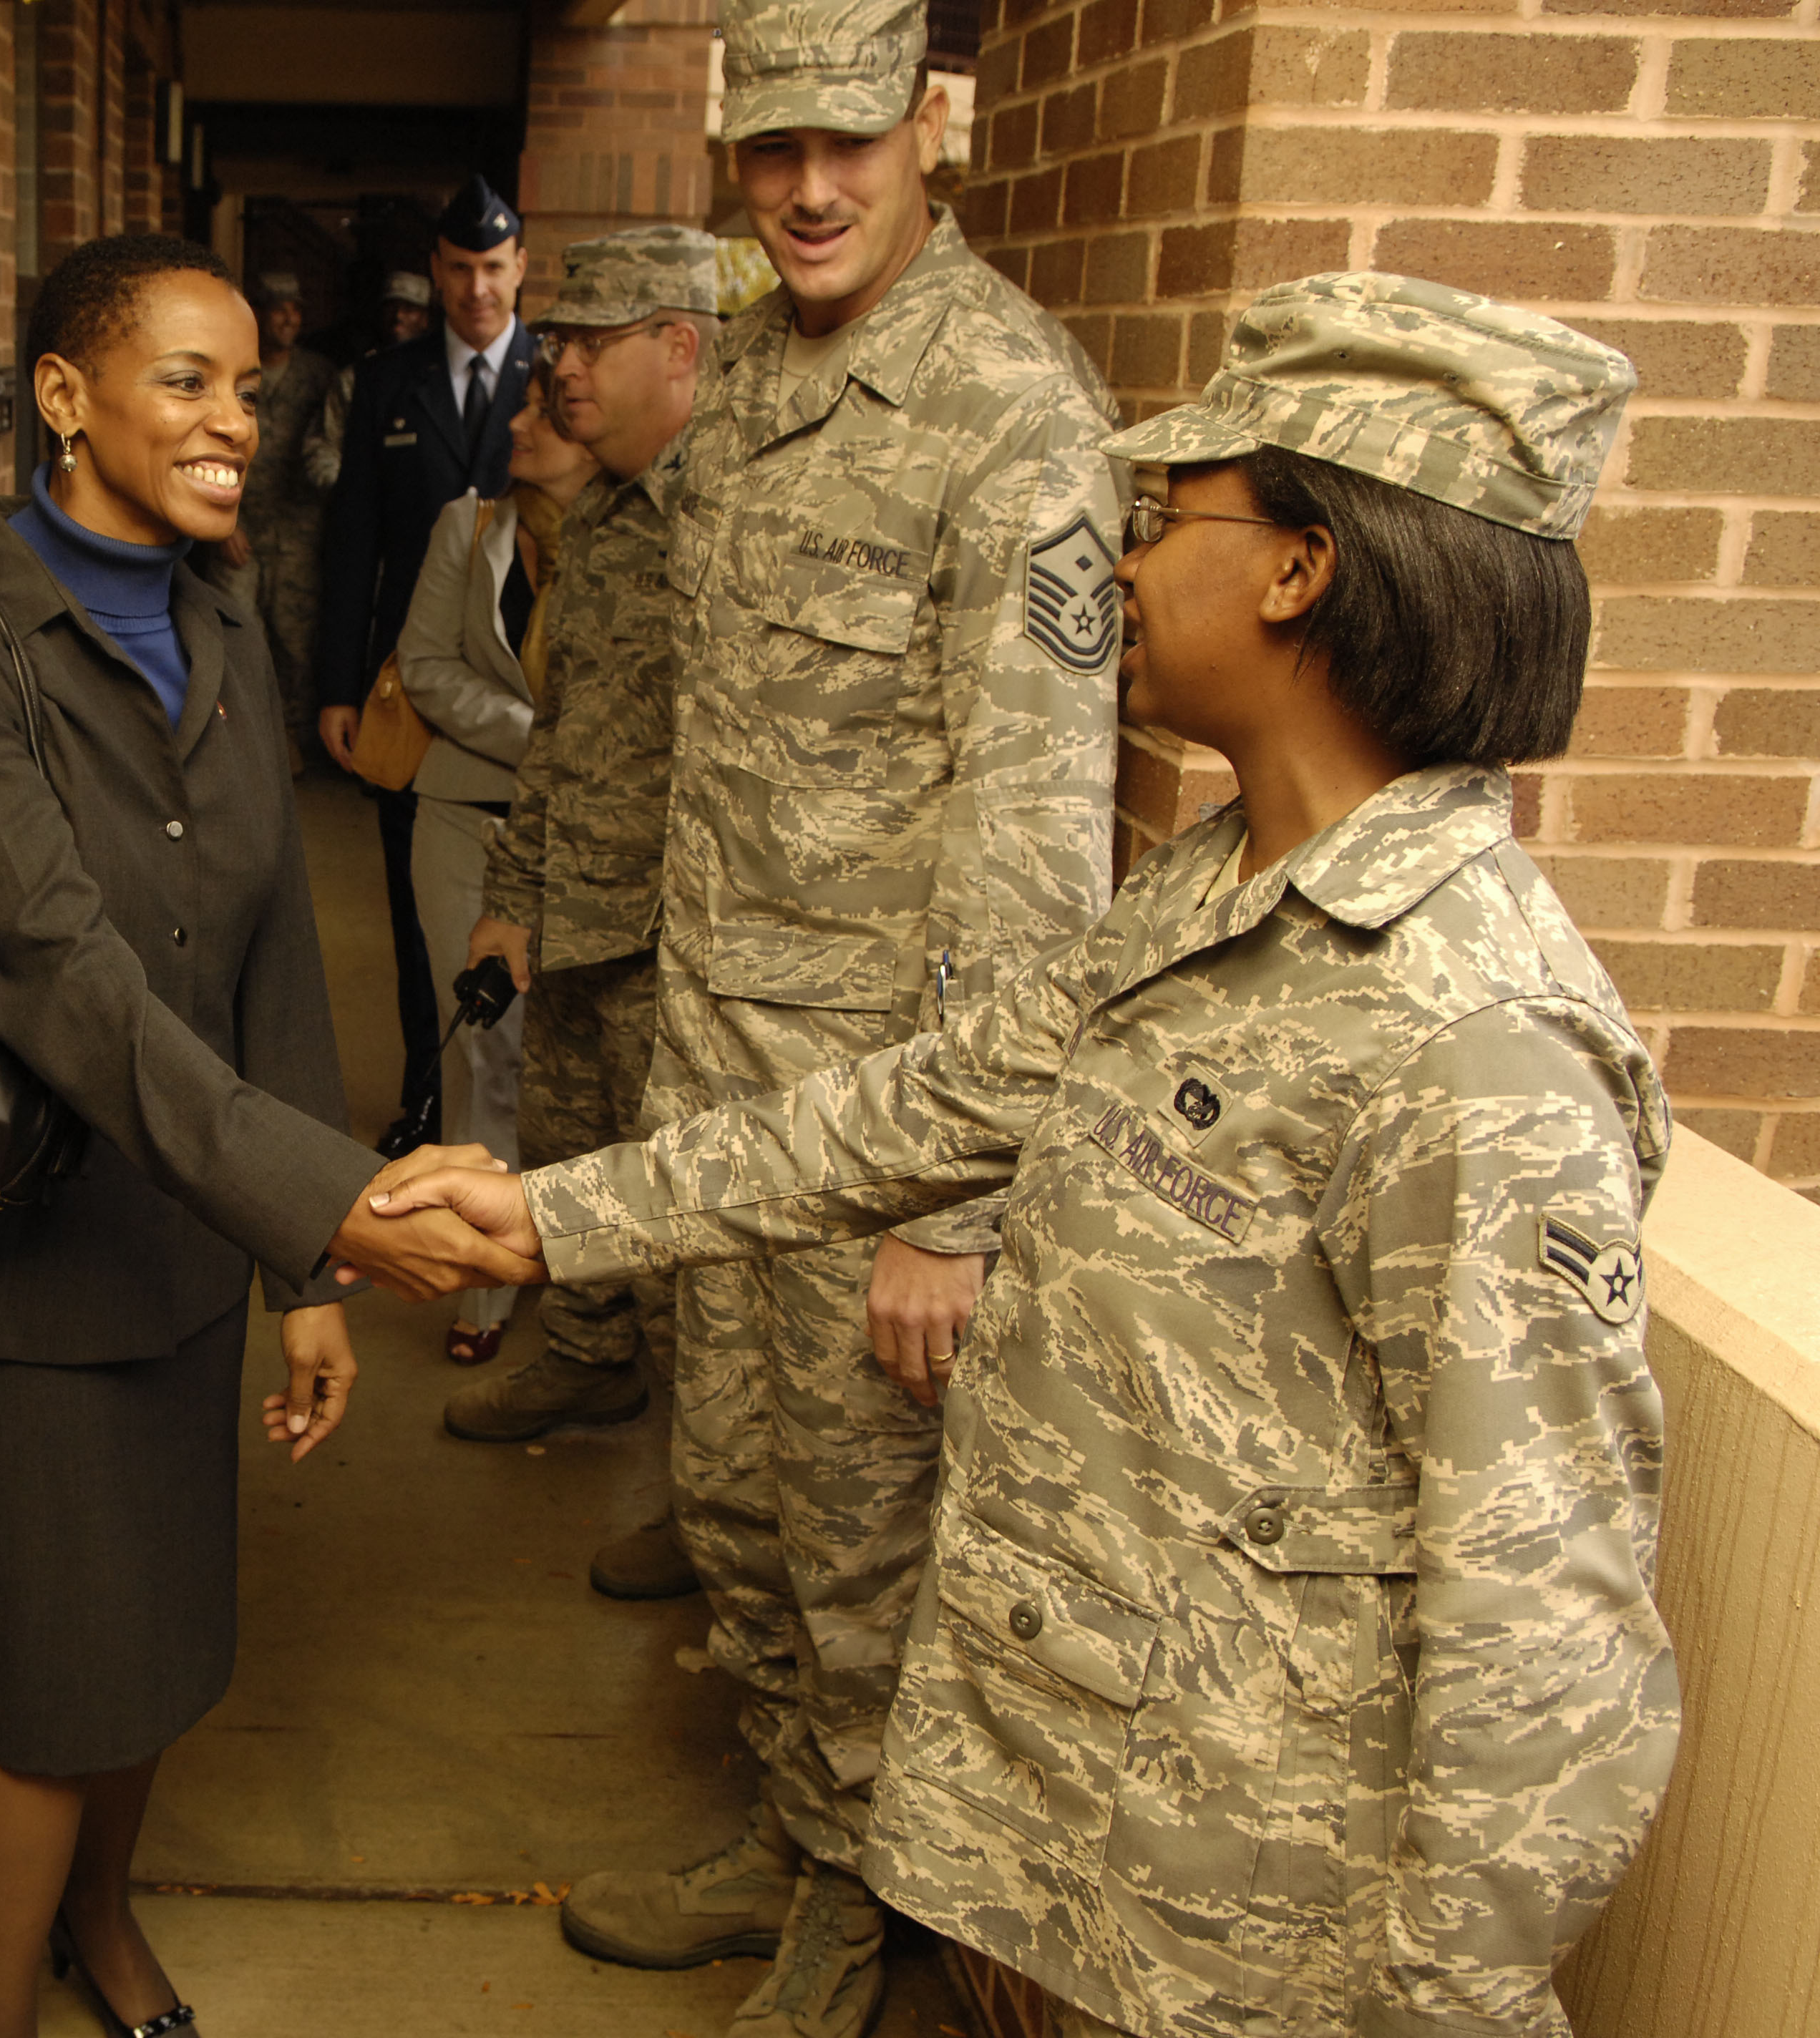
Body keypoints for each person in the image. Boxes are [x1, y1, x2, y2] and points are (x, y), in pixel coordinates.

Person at [367, 270, 1676, 2038]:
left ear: (1301, 568)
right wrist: (544, 1212)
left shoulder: (1473, 1034)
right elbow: (913, 1107)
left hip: (1243, 1943)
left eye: (1167, 519)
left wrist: (1436, 1996)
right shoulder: (1210, 888)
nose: (1119, 568)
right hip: (1058, 1858)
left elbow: (1545, 1632)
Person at [0, 233, 533, 2038]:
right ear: (63, 396)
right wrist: (345, 1204)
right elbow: (65, 982)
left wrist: (294, 1262)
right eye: (184, 381)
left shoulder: (214, 601)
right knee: (44, 1691)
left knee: (146, 1658)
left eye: (247, 386)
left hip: (179, 1237)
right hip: (9, 1264)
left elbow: (271, 934)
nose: (233, 422)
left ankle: (98, 1930)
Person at [550, 2, 1128, 2029]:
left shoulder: (1006, 412)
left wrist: (951, 1205)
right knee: (737, 1513)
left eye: (848, 145)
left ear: (931, 132)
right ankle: (796, 1833)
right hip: (721, 1093)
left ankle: (868, 1918)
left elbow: (1037, 844)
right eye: (772, 145)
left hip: (879, 1121)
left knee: (870, 1553)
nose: (806, 187)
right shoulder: (763, 381)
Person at [449, 225, 714, 1482]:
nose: (556, 368)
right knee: (563, 1166)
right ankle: (585, 1355)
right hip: (575, 924)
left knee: (678, 1224)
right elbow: (561, 731)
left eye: (585, 342)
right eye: (551, 340)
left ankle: (703, 1490)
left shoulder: (736, 515)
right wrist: (512, 901)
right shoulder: (605, 516)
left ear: (680, 347)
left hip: (680, 943)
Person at [316, 177, 537, 1156]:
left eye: (495, 267)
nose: (478, 288)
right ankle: (426, 1101)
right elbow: (351, 537)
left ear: (520, 268)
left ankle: (517, 1125)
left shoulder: (555, 375)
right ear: (438, 273)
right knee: (419, 918)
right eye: (460, 268)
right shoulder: (387, 380)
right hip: (413, 699)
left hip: (525, 691)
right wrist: (335, 684)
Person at [389, 379, 600, 1367]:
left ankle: (587, 1282)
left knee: (574, 1060)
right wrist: (546, 744)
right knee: (481, 1051)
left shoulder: (635, 543)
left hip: (593, 842)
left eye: (544, 417)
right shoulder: (469, 530)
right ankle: (480, 1289)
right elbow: (427, 666)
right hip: (464, 824)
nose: (515, 426)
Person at [239, 272, 336, 756]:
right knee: (238, 632)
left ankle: (292, 738)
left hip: (298, 528)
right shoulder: (236, 370)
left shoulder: (319, 375)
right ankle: (244, 740)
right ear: (257, 312)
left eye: (296, 308)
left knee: (295, 636)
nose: (289, 317)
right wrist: (224, 524)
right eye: (279, 307)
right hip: (241, 526)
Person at [303, 272, 435, 498]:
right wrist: (353, 491)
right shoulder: (355, 378)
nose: (399, 317)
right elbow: (323, 445)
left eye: (409, 309)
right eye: (391, 307)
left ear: (425, 319)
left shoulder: (442, 377)